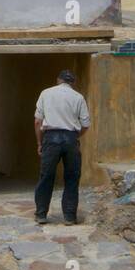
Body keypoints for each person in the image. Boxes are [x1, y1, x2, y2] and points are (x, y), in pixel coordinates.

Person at [33, 68, 90, 225]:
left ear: (58, 80)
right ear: (73, 83)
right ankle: (70, 217)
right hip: (71, 138)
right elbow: (85, 124)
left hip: (50, 138)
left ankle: (41, 214)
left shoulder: (46, 93)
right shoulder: (78, 97)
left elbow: (38, 121)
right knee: (72, 177)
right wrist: (74, 136)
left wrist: (39, 143)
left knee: (46, 176)